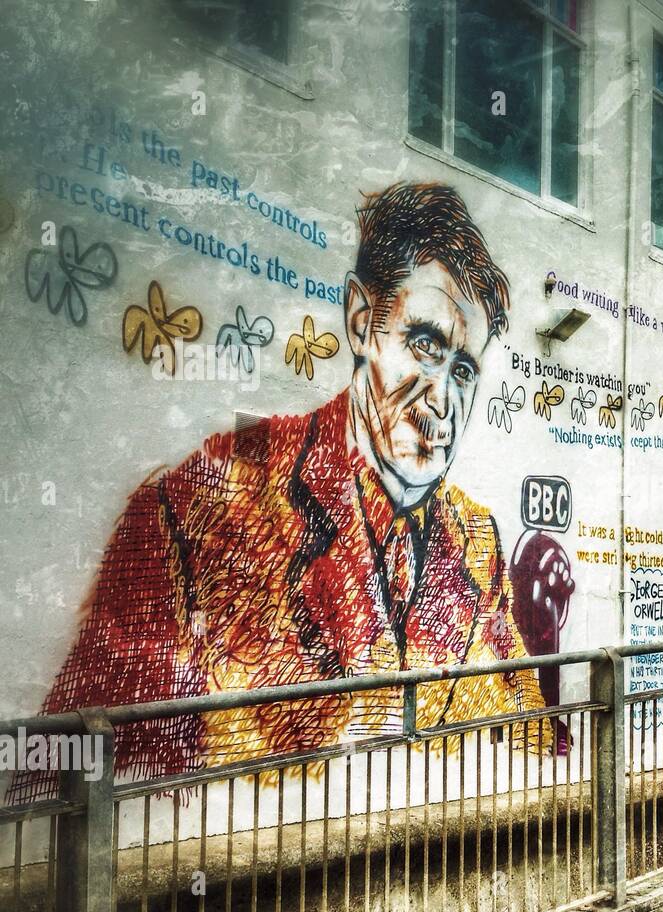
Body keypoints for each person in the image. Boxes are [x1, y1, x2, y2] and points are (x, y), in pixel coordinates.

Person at [10, 182, 548, 802]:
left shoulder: (476, 539)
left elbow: (529, 737)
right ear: (359, 321)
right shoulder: (198, 504)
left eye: (463, 370)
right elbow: (66, 792)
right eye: (424, 345)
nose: (441, 401)